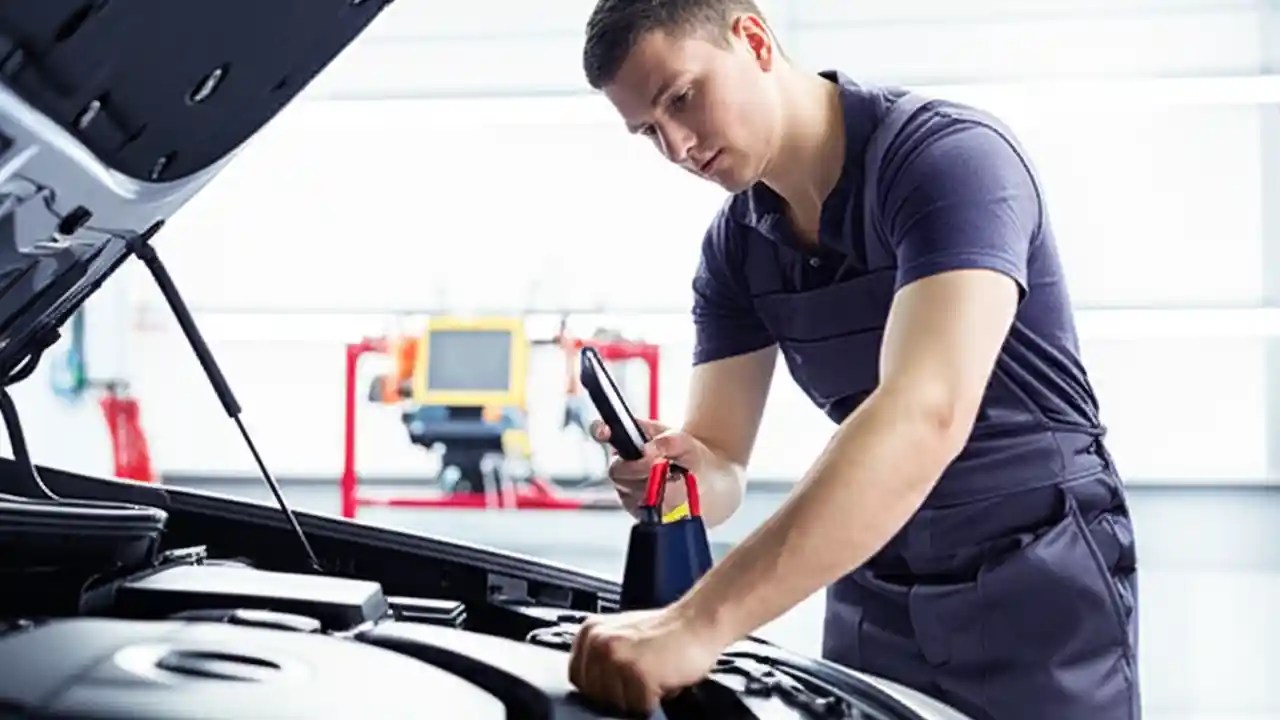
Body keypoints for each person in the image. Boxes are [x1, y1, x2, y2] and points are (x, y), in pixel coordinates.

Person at [567, 2, 1141, 719]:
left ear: (752, 39)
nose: (678, 145)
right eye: (649, 131)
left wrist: (695, 624)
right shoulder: (736, 250)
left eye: (681, 98)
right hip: (876, 571)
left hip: (1036, 577)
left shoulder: (951, 161)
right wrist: (676, 473)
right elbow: (720, 470)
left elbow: (925, 413)